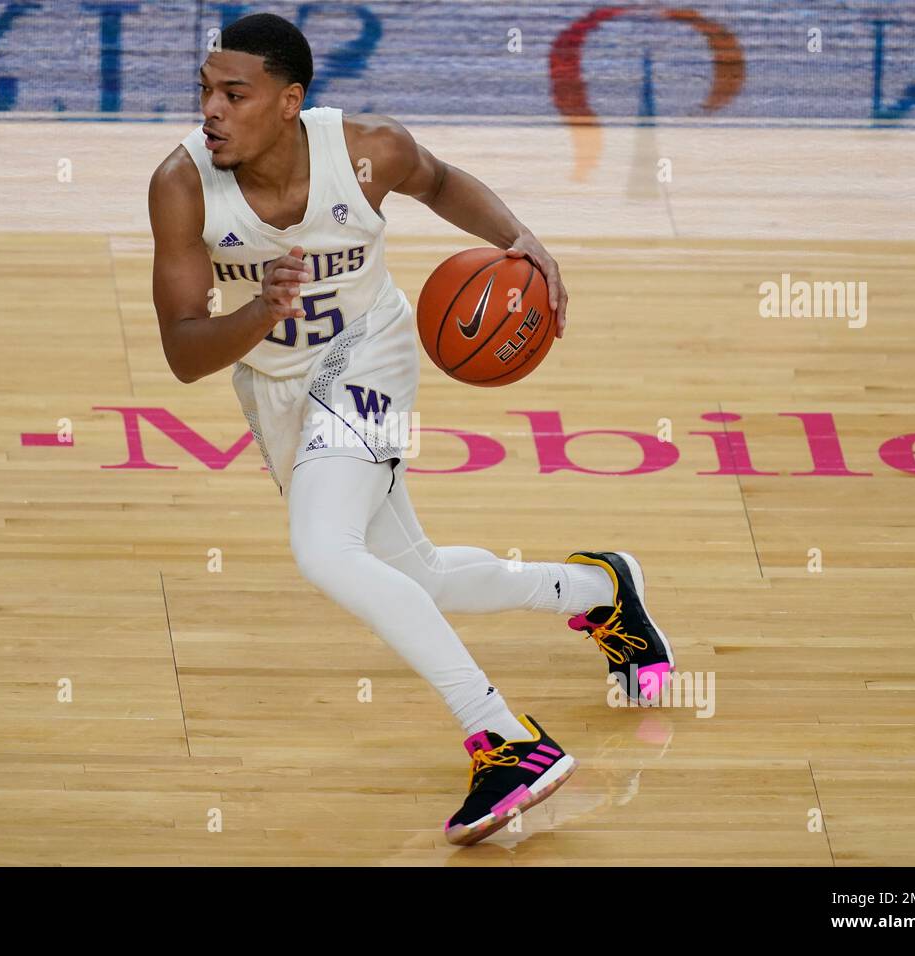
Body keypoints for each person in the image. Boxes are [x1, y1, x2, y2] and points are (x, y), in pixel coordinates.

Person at [148, 12, 674, 846]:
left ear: (288, 102)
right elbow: (182, 352)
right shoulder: (181, 185)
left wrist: (519, 239)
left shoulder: (368, 152)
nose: (209, 108)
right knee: (417, 580)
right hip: (278, 390)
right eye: (204, 90)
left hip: (370, 359)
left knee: (325, 549)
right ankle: (603, 589)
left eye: (232, 93)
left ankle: (504, 738)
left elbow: (439, 180)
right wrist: (259, 310)